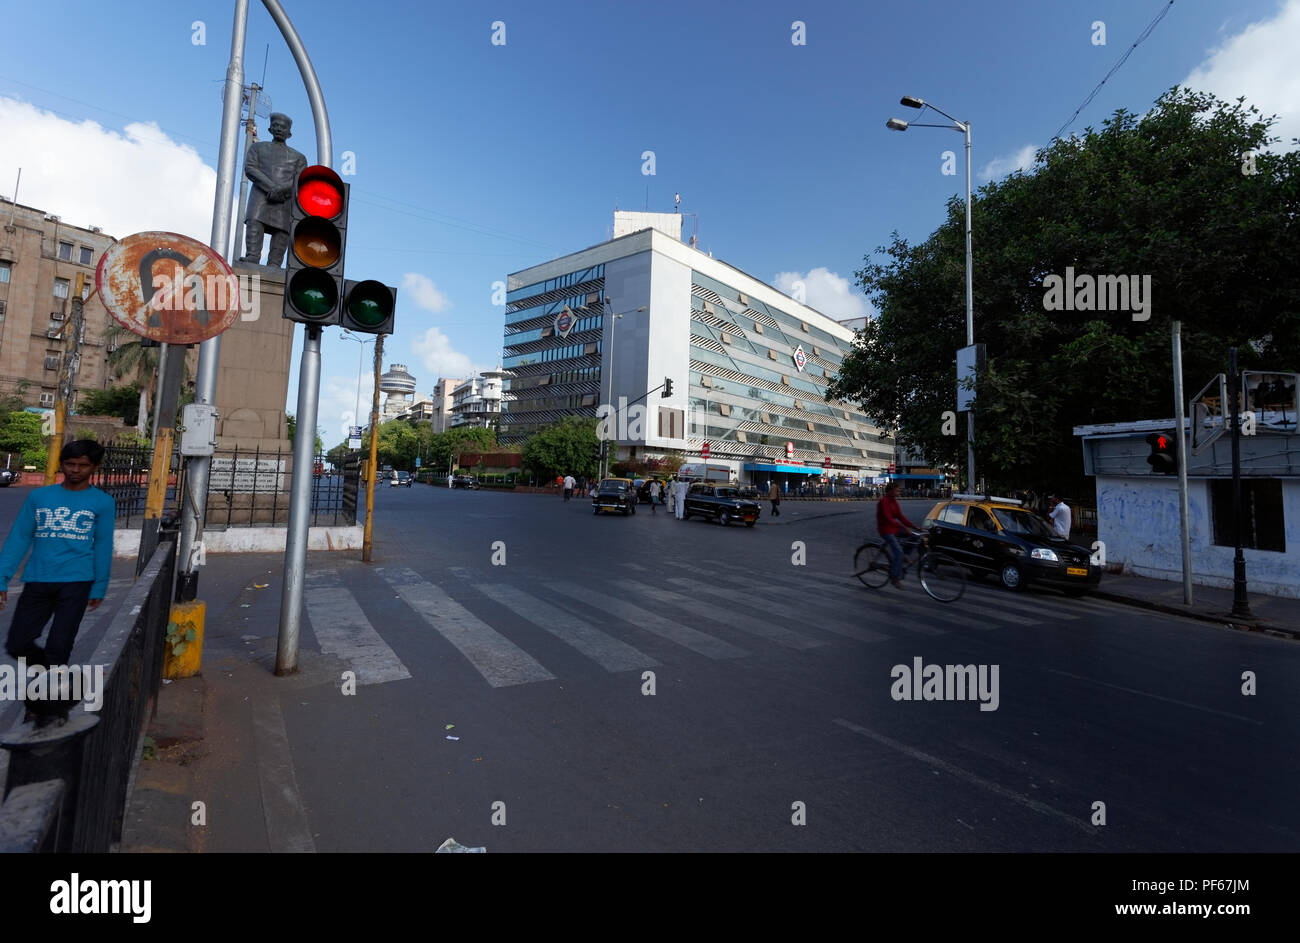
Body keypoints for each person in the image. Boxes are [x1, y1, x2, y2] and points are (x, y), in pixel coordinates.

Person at [1, 441, 115, 724]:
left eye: (83, 465)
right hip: (38, 580)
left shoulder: (102, 502)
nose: (75, 470)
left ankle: (47, 709)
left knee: (59, 646)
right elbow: (19, 538)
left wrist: (99, 586)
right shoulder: (40, 498)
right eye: (70, 464)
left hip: (76, 583)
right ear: (62, 465)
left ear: (94, 468)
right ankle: (59, 683)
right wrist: (2, 579)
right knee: (17, 644)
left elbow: (102, 545)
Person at [240, 113, 309, 267]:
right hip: (260, 195)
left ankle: (275, 264)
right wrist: (272, 188)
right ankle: (252, 256)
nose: (279, 129)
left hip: (284, 200)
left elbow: (300, 180)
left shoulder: (299, 157)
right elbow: (250, 168)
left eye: (283, 127)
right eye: (276, 126)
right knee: (254, 223)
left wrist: (281, 190)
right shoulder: (257, 147)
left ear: (289, 133)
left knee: (282, 232)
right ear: (270, 129)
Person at [876, 482, 918, 588]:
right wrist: (904, 527)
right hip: (885, 530)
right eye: (897, 490)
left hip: (894, 529)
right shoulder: (884, 501)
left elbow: (900, 516)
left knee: (915, 536)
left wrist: (914, 527)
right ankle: (895, 578)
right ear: (891, 491)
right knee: (898, 552)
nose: (899, 492)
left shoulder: (894, 502)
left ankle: (905, 556)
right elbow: (888, 518)